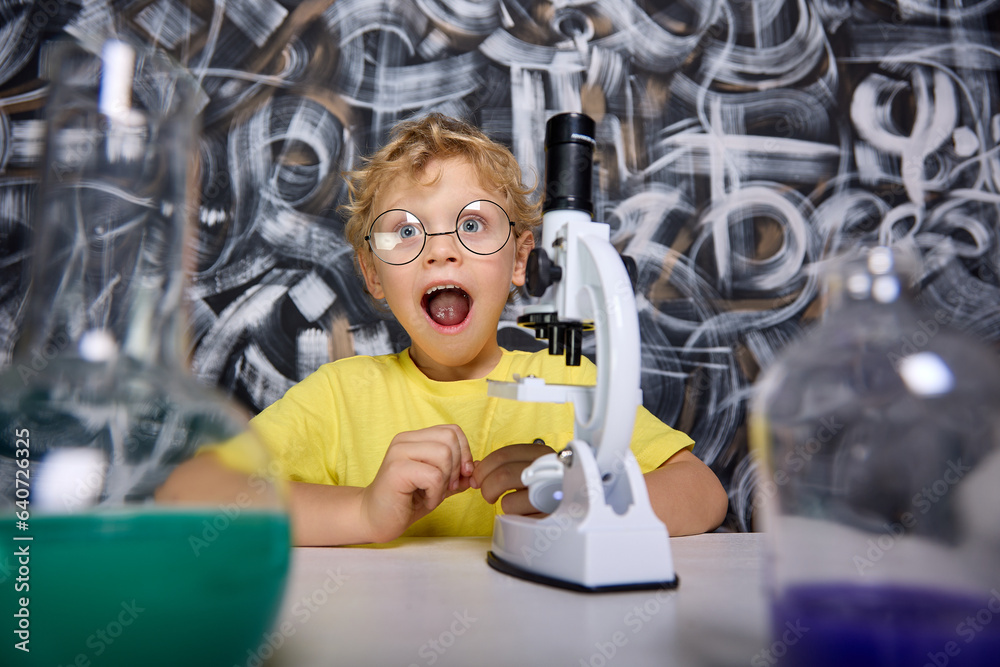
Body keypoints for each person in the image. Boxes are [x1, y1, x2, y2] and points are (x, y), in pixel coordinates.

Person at [160, 113, 728, 545]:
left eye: (474, 224)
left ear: (521, 262)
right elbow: (190, 496)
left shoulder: (568, 382)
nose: (442, 254)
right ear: (373, 274)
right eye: (406, 232)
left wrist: (579, 501)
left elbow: (703, 494)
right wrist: (363, 510)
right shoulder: (337, 397)